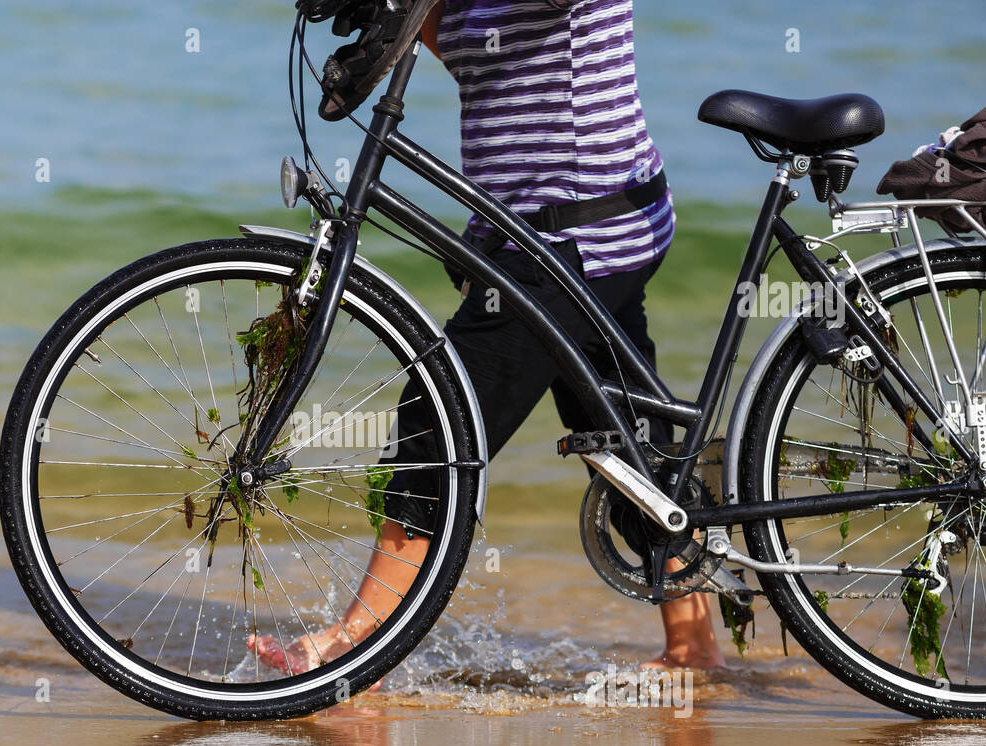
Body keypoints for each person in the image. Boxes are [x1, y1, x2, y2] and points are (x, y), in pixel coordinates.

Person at [251, 0, 722, 675]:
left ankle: (353, 649)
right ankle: (695, 649)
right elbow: (477, 57)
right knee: (620, 443)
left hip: (579, 232)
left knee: (436, 419)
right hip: (544, 233)